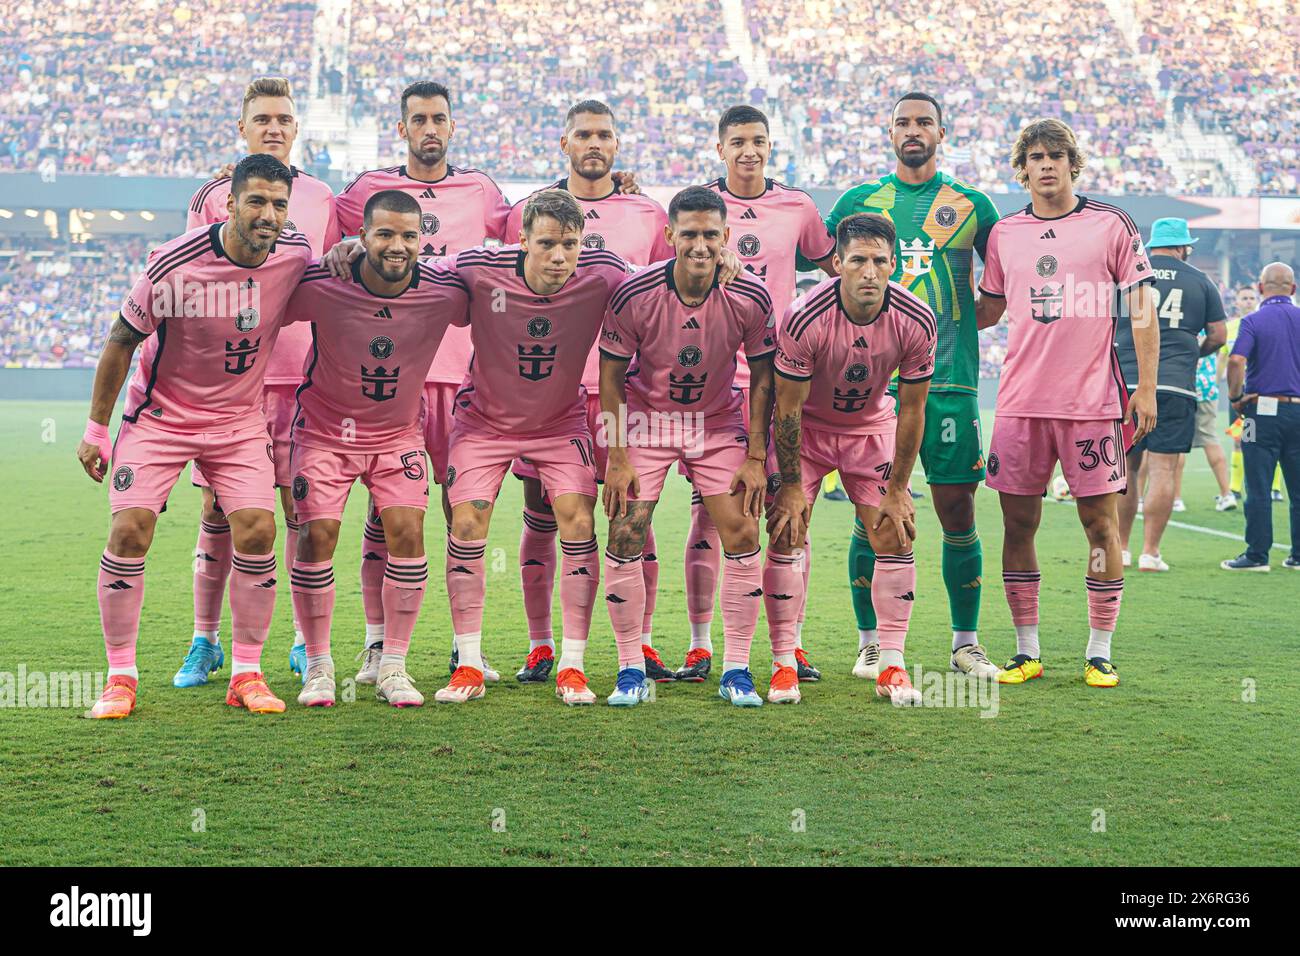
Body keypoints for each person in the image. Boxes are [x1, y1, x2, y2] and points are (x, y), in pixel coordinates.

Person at [78, 155, 313, 718]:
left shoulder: (296, 256)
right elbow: (121, 339)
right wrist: (96, 429)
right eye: (256, 200)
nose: (268, 213)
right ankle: (121, 677)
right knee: (131, 530)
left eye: (279, 203)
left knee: (258, 531)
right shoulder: (174, 262)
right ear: (229, 203)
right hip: (161, 418)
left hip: (236, 424)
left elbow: (334, 274)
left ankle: (248, 674)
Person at [810, 92, 1002, 681]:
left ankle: (964, 643)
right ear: (887, 132)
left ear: (942, 132)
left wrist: (947, 324)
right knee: (873, 514)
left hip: (949, 380)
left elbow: (993, 300)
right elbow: (833, 275)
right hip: (869, 386)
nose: (912, 131)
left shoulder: (973, 206)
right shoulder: (857, 202)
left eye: (923, 122)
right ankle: (871, 644)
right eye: (902, 122)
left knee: (956, 507)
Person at [330, 81, 512, 684]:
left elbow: (534, 236)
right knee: (387, 515)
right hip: (391, 380)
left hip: (463, 378)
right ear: (401, 128)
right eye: (419, 120)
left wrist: (619, 189)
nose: (430, 128)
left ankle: (468, 647)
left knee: (466, 515)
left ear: (452, 127)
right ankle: (378, 646)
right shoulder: (363, 192)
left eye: (439, 118)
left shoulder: (481, 191)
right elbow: (318, 237)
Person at [975, 119, 1158, 689]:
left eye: (1057, 155)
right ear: (1022, 168)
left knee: (1100, 524)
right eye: (1036, 156)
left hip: (1092, 403)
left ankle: (1099, 650)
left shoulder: (1110, 224)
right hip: (1020, 404)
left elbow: (1142, 310)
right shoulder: (1005, 233)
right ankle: (1026, 650)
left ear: (1073, 164)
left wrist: (1146, 388)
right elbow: (988, 311)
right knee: (1017, 523)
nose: (1047, 164)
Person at [502, 100, 677, 685]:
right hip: (549, 391)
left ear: (618, 144)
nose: (594, 144)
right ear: (564, 143)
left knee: (634, 514)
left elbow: (667, 294)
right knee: (542, 514)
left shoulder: (647, 212)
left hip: (621, 392)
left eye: (604, 134)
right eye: (584, 135)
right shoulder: (527, 213)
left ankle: (643, 644)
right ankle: (540, 644)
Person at [175, 76, 340, 690]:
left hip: (303, 378)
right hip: (229, 382)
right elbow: (191, 280)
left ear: (297, 130)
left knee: (303, 508)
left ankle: (305, 644)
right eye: (263, 118)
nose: (275, 127)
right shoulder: (212, 196)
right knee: (219, 508)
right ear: (241, 128)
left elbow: (346, 261)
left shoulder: (324, 196)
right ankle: (205, 640)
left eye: (285, 119)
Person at [436, 191, 629, 705]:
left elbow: (663, 282)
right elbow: (415, 264)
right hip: (483, 423)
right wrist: (346, 253)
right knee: (468, 523)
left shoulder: (603, 272)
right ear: (521, 240)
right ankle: (470, 665)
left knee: (578, 520)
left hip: (560, 422)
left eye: (570, 244)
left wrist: (727, 266)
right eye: (546, 243)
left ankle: (572, 665)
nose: (560, 256)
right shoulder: (480, 267)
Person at [286, 190, 470, 708]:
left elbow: (494, 273)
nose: (397, 246)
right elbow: (269, 294)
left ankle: (393, 664)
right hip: (324, 432)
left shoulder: (443, 289)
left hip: (397, 435)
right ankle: (319, 665)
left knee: (409, 532)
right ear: (362, 236)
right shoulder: (325, 281)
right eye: (384, 234)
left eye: (409, 236)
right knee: (316, 536)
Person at [675, 104, 835, 685]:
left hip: (783, 381)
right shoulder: (699, 208)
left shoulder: (797, 207)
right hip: (713, 388)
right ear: (720, 148)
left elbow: (834, 265)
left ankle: (789, 649)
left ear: (771, 147)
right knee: (710, 518)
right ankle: (699, 646)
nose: (749, 150)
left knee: (790, 514)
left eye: (759, 141)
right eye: (738, 141)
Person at [599, 186, 775, 708]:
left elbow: (763, 378)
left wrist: (759, 456)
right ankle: (631, 667)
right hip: (648, 422)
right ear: (670, 236)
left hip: (717, 423)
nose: (700, 245)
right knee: (626, 529)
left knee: (742, 529)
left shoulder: (749, 295)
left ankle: (738, 669)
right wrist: (617, 456)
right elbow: (610, 378)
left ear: (726, 238)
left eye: (710, 235)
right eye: (689, 234)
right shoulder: (635, 293)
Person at [766, 213, 937, 705]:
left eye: (879, 261)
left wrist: (900, 487)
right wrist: (793, 486)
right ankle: (784, 662)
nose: (868, 272)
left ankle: (891, 665)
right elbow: (789, 409)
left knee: (894, 533)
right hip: (810, 432)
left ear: (894, 264)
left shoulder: (916, 318)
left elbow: (913, 409)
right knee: (786, 531)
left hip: (871, 428)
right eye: (858, 260)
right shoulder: (804, 316)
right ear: (836, 262)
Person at [1114, 217, 1226, 571]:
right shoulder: (1201, 281)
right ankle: (1151, 552)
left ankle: (1122, 549)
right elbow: (1219, 335)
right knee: (1163, 468)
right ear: (1183, 248)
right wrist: (1195, 352)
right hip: (1175, 384)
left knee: (1126, 468)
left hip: (1127, 382)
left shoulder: (1128, 277)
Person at [1221, 262, 1300, 571]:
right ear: (1292, 290)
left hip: (1259, 413)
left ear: (1260, 288)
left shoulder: (1253, 321)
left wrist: (1235, 398)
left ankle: (1257, 554)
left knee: (1257, 484)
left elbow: (1236, 360)